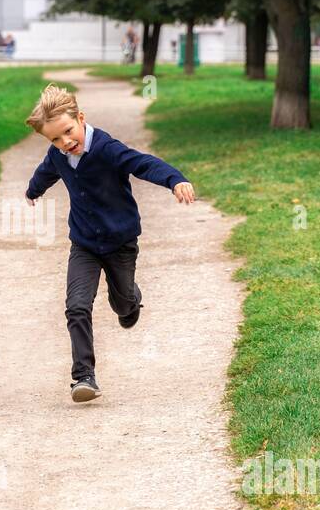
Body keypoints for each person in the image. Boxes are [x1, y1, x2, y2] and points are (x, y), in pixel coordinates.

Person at [23, 83, 196, 403]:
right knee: (76, 306)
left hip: (120, 242)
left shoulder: (106, 149)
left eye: (68, 132)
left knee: (123, 306)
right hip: (84, 244)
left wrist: (175, 179)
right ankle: (83, 377)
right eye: (55, 139)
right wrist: (34, 190)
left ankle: (130, 297)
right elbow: (47, 171)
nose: (65, 142)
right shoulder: (58, 154)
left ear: (81, 118)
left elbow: (143, 163)